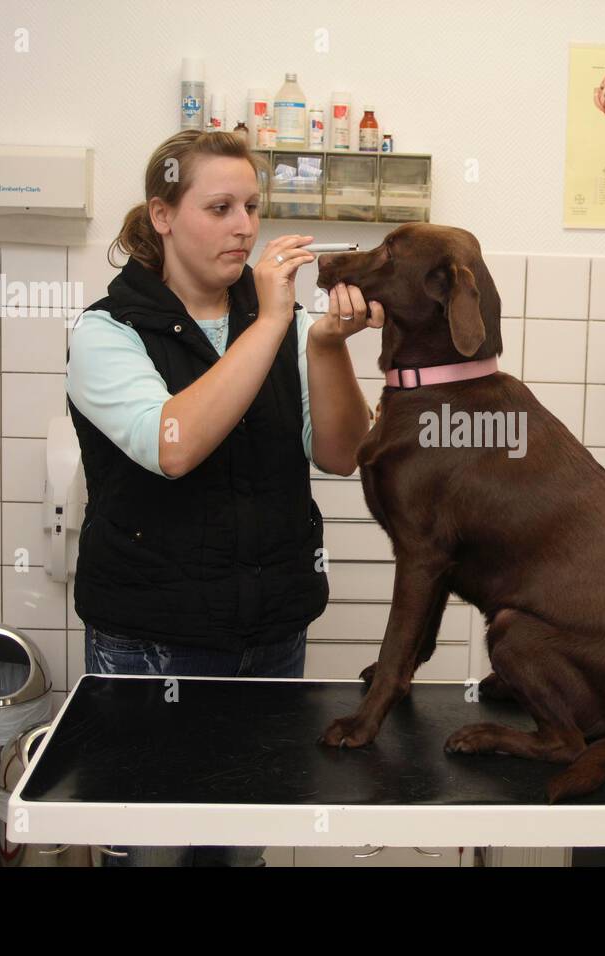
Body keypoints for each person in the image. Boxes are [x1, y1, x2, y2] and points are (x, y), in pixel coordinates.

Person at [64, 129, 382, 866]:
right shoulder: (108, 332)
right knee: (152, 852)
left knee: (237, 849)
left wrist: (325, 345)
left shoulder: (286, 325)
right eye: (219, 207)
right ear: (163, 215)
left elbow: (342, 454)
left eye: (252, 207)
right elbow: (170, 446)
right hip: (151, 641)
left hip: (270, 635)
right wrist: (272, 322)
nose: (244, 226)